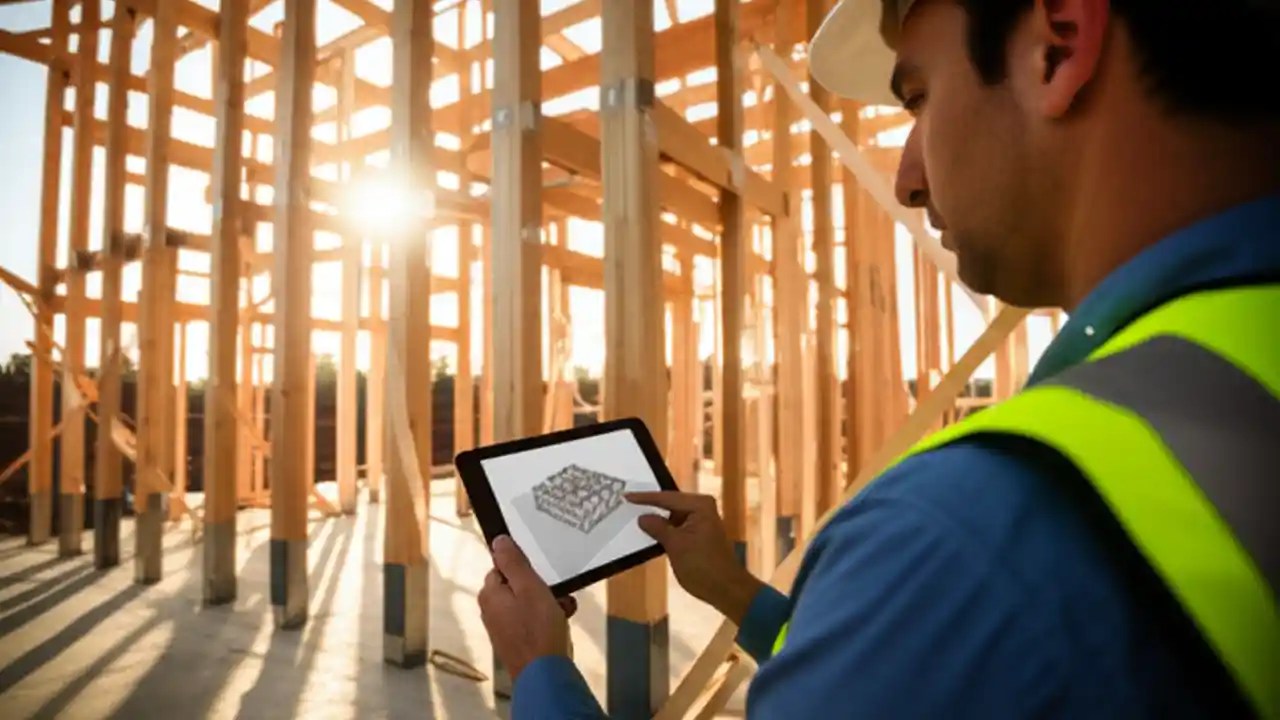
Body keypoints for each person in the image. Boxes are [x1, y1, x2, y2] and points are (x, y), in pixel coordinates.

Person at [478, 0, 1280, 716]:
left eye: (920, 96)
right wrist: (734, 592)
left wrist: (543, 671)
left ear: (1056, 46)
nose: (906, 178)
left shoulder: (957, 543)